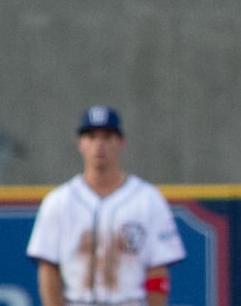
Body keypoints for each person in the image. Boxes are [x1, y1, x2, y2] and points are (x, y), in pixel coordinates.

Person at [26, 106, 186, 306]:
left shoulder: (148, 199)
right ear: (80, 143)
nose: (99, 145)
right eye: (91, 137)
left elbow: (157, 271)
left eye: (107, 137)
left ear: (121, 142)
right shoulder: (59, 201)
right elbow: (48, 269)